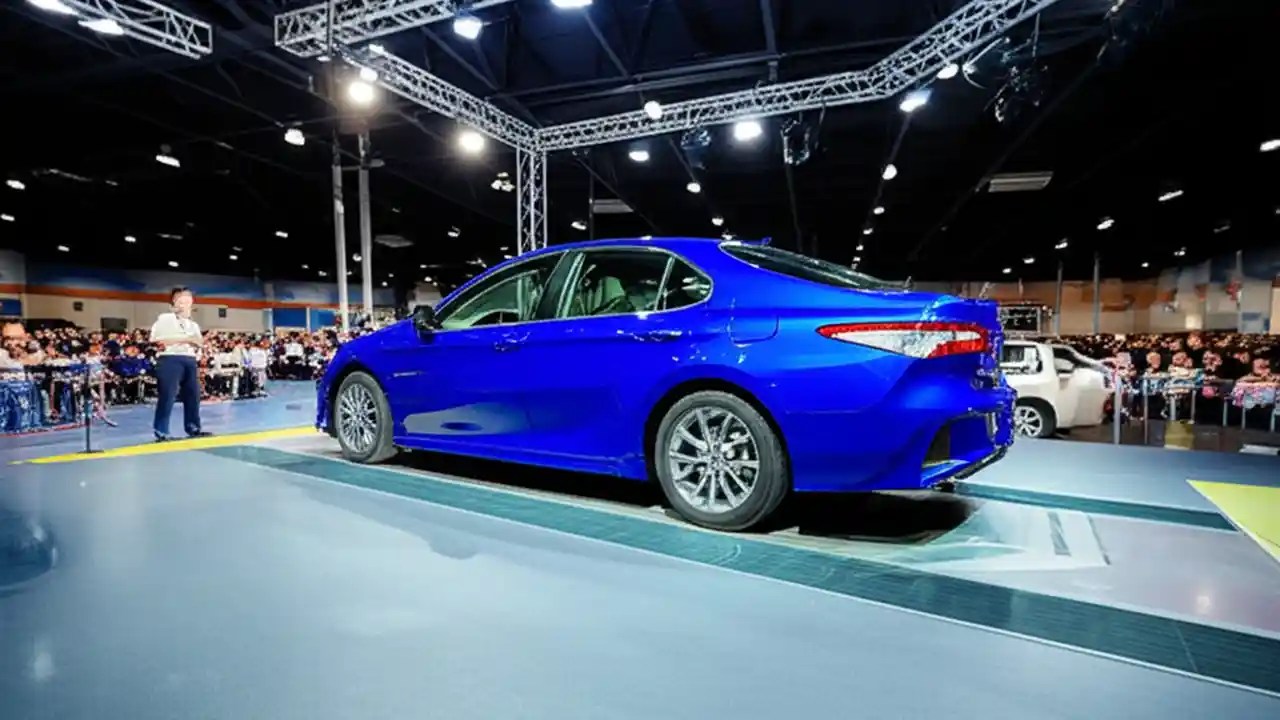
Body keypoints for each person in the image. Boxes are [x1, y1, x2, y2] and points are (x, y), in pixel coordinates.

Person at [150, 288, 211, 441]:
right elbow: (158, 341)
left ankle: (193, 427)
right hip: (170, 358)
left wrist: (190, 340)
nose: (186, 304)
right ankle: (161, 430)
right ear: (174, 303)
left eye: (189, 301)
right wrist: (187, 340)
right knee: (168, 395)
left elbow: (200, 342)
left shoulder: (193, 325)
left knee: (193, 394)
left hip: (189, 359)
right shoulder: (165, 319)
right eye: (182, 301)